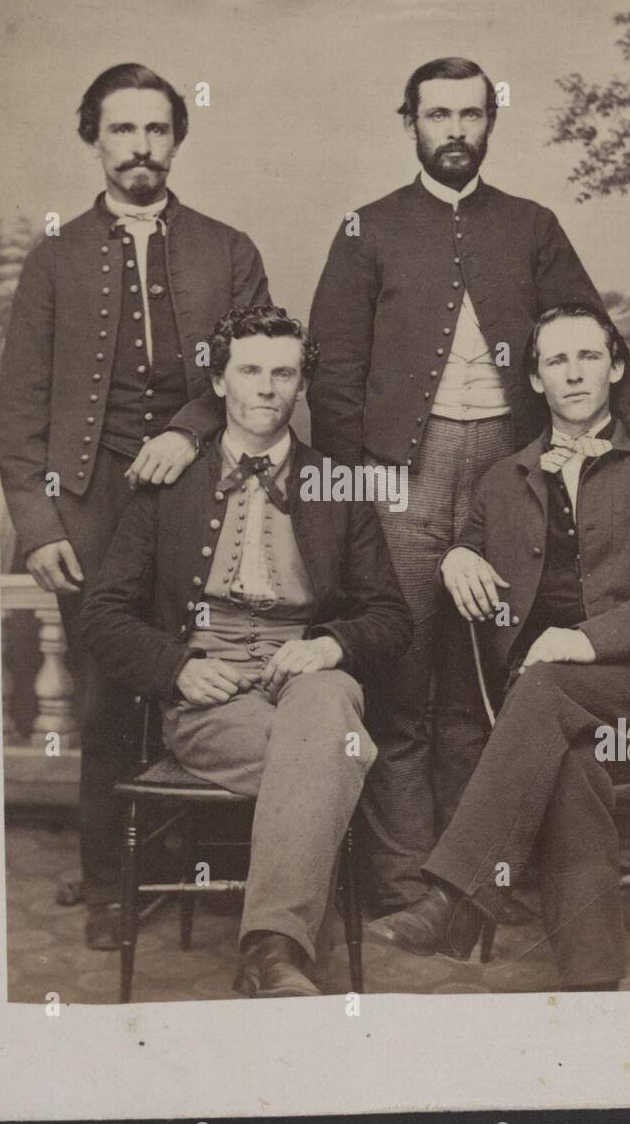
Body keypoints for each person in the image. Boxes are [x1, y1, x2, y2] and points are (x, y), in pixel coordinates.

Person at [307, 55, 630, 914]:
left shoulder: (530, 224)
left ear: (491, 122)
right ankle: (405, 879)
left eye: (471, 115)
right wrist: (364, 485)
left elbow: (596, 343)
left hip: (509, 475)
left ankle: (483, 875)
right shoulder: (365, 228)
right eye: (437, 115)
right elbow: (332, 370)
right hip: (400, 477)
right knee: (405, 677)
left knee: (490, 678)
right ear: (408, 120)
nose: (455, 130)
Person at [0, 63, 269, 947]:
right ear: (96, 139)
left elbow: (260, 362)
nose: (140, 148)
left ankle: (192, 860)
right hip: (88, 505)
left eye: (156, 130)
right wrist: (38, 526)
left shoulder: (228, 250)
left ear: (176, 140)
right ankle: (111, 882)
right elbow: (19, 409)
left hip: (205, 491)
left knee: (207, 669)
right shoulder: (54, 259)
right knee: (111, 692)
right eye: (122, 130)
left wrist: (191, 430)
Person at [368, 303, 630, 991]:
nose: (574, 373)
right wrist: (458, 554)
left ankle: (452, 896)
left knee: (544, 687)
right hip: (557, 712)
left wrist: (579, 641)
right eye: (557, 360)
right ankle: (591, 984)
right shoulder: (503, 478)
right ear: (533, 380)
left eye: (588, 357)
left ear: (614, 368)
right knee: (568, 758)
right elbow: (468, 538)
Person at [79, 305, 412, 997]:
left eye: (283, 373)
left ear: (301, 386)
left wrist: (330, 645)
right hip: (213, 697)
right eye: (250, 370)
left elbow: (390, 616)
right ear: (220, 382)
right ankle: (277, 951)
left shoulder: (339, 487)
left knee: (325, 707)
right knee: (331, 754)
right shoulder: (167, 486)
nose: (266, 387)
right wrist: (177, 668)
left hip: (308, 683)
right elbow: (103, 615)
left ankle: (271, 951)